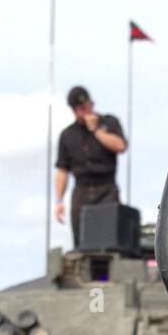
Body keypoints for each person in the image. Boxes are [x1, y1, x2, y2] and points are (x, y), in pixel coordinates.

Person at [54, 86, 128, 245]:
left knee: (109, 241)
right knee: (82, 243)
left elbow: (120, 146)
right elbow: (62, 170)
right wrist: (59, 200)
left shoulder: (109, 122)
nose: (83, 112)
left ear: (91, 103)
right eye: (78, 109)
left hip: (107, 190)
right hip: (81, 192)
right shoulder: (67, 135)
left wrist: (96, 131)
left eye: (85, 107)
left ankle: (105, 271)